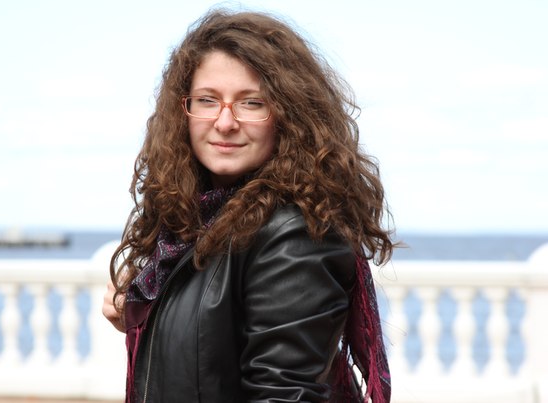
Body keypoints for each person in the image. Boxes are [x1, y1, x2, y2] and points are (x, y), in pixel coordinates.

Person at [102, 9, 395, 403]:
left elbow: (285, 394)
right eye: (207, 100)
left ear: (289, 114)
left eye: (252, 103)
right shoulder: (193, 225)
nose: (225, 122)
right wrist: (150, 314)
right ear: (182, 111)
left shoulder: (296, 233)